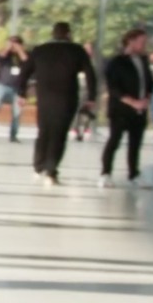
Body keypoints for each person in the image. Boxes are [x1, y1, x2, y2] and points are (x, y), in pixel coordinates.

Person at [22, 21, 97, 187]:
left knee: (44, 131)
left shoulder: (40, 50)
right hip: (66, 98)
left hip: (44, 98)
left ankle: (38, 166)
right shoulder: (77, 50)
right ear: (68, 34)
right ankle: (51, 170)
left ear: (53, 33)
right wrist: (91, 97)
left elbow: (25, 72)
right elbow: (90, 73)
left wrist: (21, 93)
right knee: (59, 134)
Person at [98, 29, 153, 190]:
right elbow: (114, 88)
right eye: (141, 42)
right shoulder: (116, 62)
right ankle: (105, 173)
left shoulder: (143, 60)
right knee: (114, 141)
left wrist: (146, 99)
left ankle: (134, 174)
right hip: (120, 111)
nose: (144, 45)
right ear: (130, 41)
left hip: (140, 111)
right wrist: (132, 102)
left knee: (135, 144)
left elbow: (149, 82)